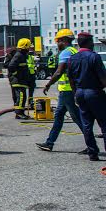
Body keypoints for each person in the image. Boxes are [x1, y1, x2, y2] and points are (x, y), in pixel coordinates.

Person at [37, 29, 85, 153]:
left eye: (58, 41)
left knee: (77, 118)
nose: (57, 44)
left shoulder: (65, 53)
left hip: (67, 91)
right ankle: (49, 143)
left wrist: (48, 84)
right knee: (59, 116)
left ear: (63, 41)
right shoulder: (74, 51)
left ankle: (91, 145)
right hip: (69, 90)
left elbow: (59, 72)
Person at [66, 31, 106, 162]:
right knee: (104, 123)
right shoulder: (94, 57)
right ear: (89, 43)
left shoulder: (73, 58)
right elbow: (102, 77)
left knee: (87, 124)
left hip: (80, 92)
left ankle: (92, 153)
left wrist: (75, 93)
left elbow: (70, 79)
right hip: (94, 92)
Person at [7, 38, 32, 119]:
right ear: (25, 47)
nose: (29, 49)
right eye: (28, 47)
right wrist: (16, 74)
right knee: (21, 96)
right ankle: (19, 113)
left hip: (21, 80)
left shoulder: (22, 55)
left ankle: (20, 113)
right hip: (18, 80)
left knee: (21, 96)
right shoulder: (19, 55)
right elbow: (11, 66)